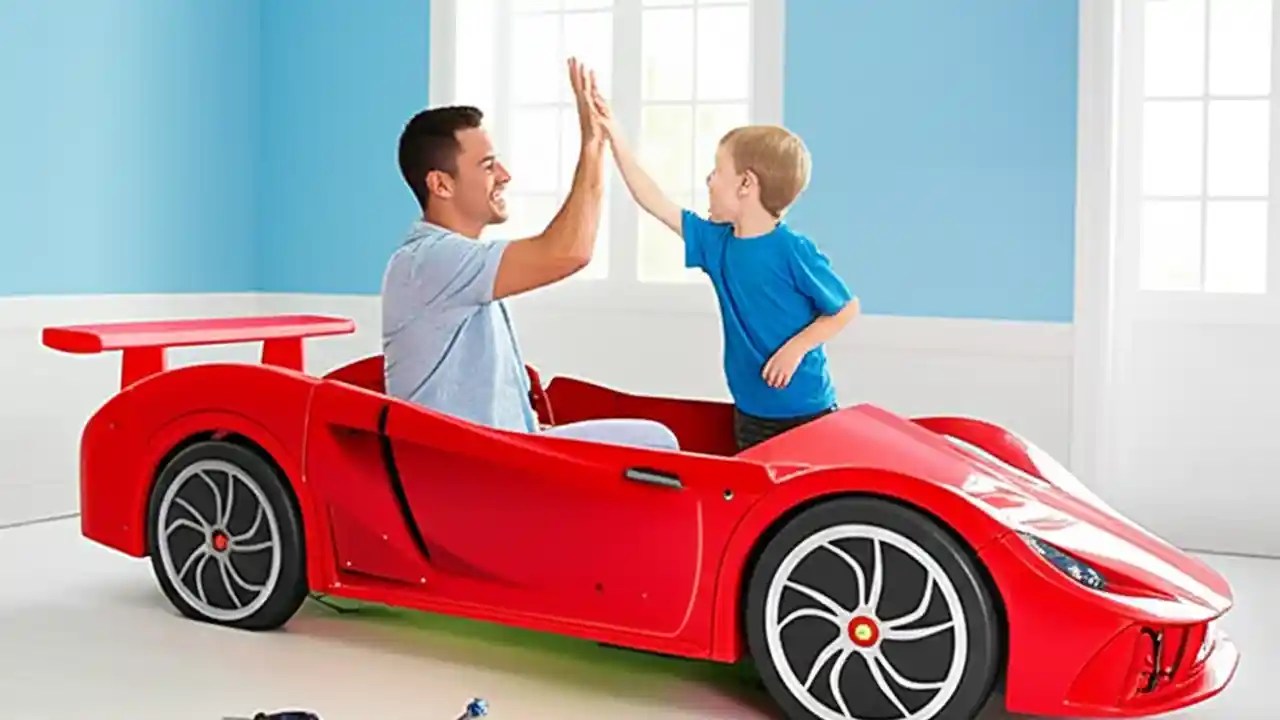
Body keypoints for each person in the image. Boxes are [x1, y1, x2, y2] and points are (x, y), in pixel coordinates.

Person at [381, 58, 678, 451]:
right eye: (488, 166)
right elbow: (569, 251)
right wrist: (592, 144)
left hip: (508, 446)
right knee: (654, 444)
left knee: (653, 438)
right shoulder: (429, 261)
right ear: (441, 185)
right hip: (470, 464)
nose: (505, 175)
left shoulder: (458, 261)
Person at [591, 91, 859, 451]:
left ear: (746, 184)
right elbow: (652, 199)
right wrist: (614, 134)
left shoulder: (792, 250)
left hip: (806, 412)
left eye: (717, 171)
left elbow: (845, 308)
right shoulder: (715, 244)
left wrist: (795, 349)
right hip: (750, 414)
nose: (709, 180)